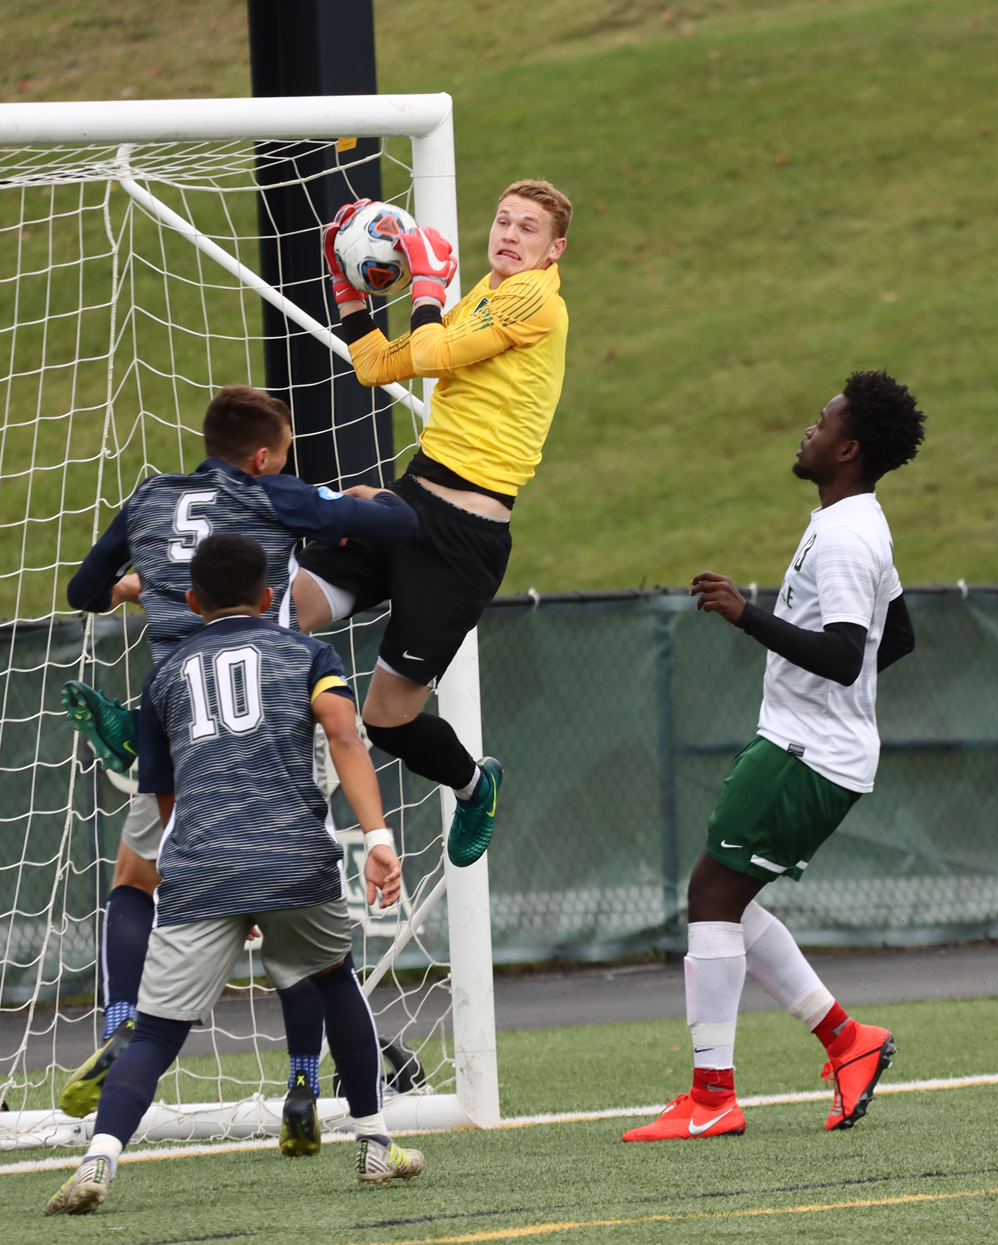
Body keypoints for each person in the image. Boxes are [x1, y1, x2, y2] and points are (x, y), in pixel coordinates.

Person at [55, 386, 417, 1141]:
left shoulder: (151, 496)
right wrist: (360, 493)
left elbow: (83, 589)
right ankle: (306, 1084)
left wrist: (132, 586)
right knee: (305, 926)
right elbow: (397, 524)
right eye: (283, 451)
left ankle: (125, 1020)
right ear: (263, 456)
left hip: (179, 719)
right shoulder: (273, 494)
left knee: (135, 879)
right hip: (275, 714)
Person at [620, 372, 923, 1143]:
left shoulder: (850, 535)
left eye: (822, 423)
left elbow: (849, 655)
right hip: (810, 743)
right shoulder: (854, 519)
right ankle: (847, 1040)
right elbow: (903, 636)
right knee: (730, 899)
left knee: (710, 896)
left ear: (847, 448)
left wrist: (746, 615)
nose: (808, 431)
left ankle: (713, 1095)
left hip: (803, 752)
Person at [291, 180, 575, 869]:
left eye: (528, 228)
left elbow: (433, 355)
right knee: (277, 611)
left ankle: (478, 785)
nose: (509, 234)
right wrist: (353, 296)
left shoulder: (536, 299)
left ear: (554, 248)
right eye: (503, 220)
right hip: (407, 503)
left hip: (462, 540)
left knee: (386, 717)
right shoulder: (485, 290)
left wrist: (422, 285)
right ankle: (185, 743)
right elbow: (377, 366)